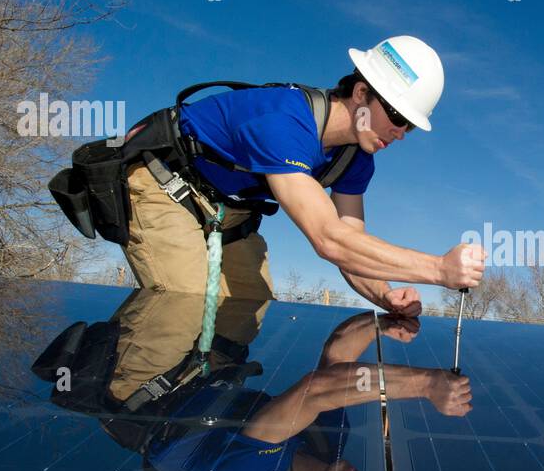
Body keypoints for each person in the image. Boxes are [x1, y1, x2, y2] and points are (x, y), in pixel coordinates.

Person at [120, 35, 485, 306]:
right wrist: (439, 270)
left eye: (410, 126)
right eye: (397, 116)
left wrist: (385, 295)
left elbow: (351, 244)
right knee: (181, 311)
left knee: (247, 314)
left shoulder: (356, 160)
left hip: (225, 211)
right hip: (162, 184)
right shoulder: (285, 120)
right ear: (361, 93)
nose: (400, 133)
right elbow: (329, 239)